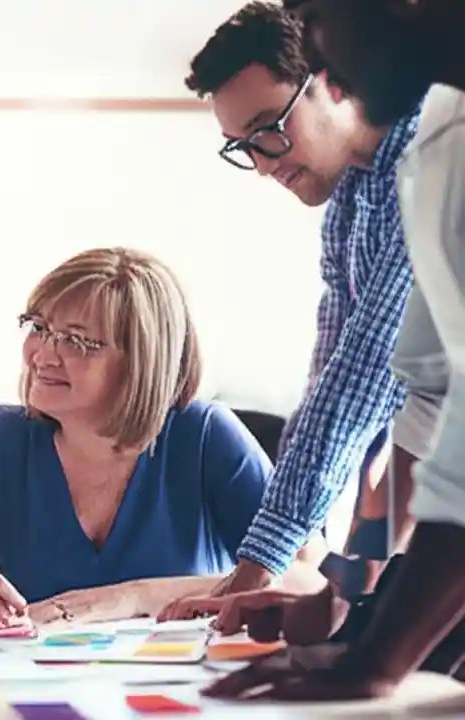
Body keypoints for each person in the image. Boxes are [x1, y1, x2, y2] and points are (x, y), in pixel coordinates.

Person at [173, 0, 465, 700]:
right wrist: (339, 590)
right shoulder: (416, 164)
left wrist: (373, 663)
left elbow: (371, 393)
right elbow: (416, 425)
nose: (329, 64)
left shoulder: (440, 147)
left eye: (268, 131)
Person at [0, 248, 322, 630]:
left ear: (140, 361)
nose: (43, 354)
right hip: (41, 684)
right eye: (39, 328)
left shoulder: (205, 436)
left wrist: (132, 597)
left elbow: (310, 579)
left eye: (77, 341)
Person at [183, 1, 421, 596]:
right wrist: (335, 573)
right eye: (242, 146)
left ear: (329, 81)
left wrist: (262, 559)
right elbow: (334, 377)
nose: (263, 164)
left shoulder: (430, 164)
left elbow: (367, 376)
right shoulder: (351, 202)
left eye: (269, 129)